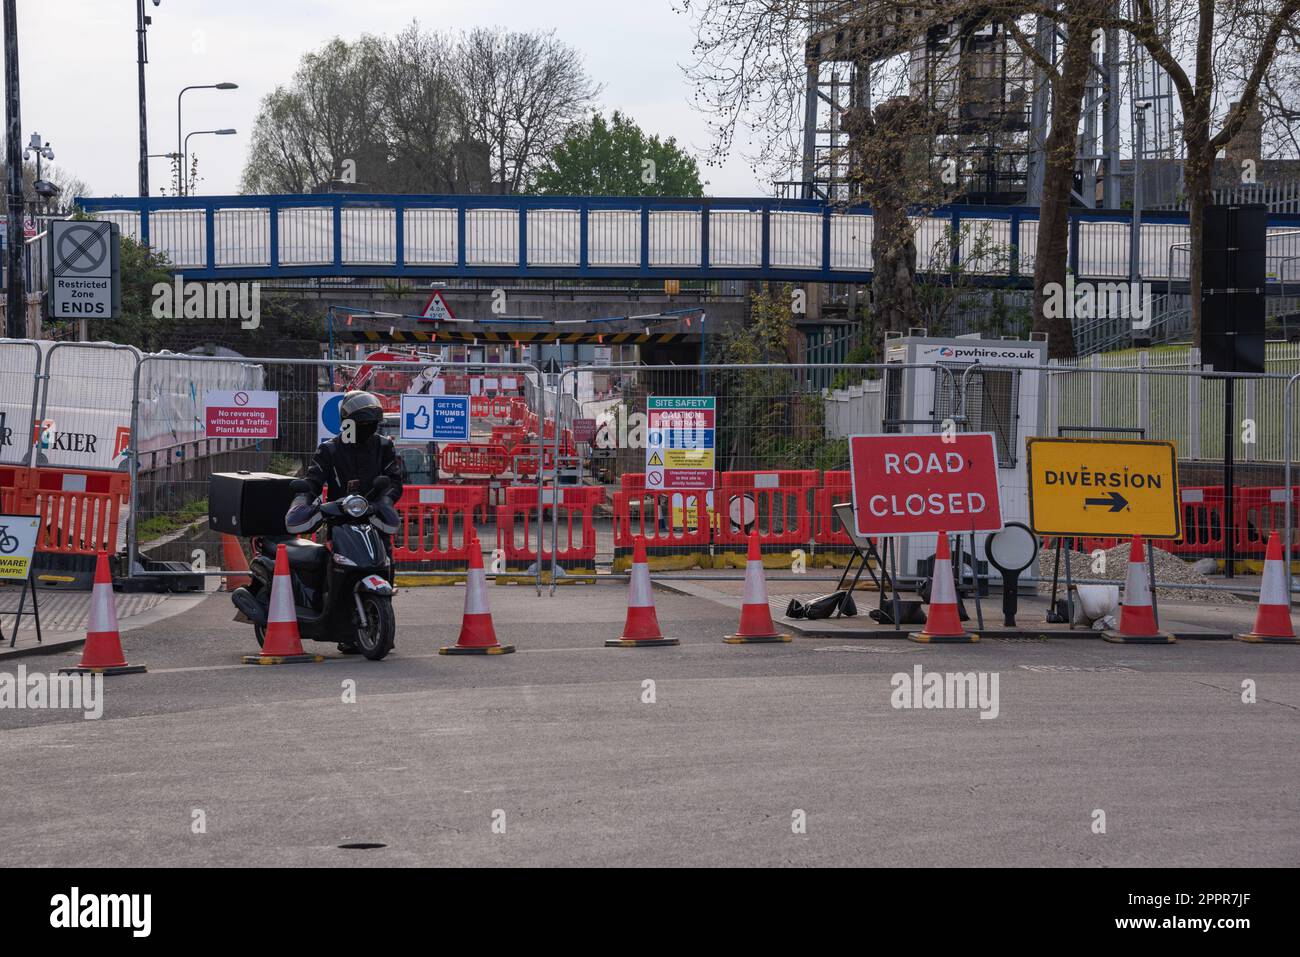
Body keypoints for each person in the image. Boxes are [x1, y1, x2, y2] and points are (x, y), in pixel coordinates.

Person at [287, 391, 404, 651]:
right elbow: (313, 481)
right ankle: (336, 623)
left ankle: (377, 623)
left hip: (374, 517)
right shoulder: (329, 449)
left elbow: (394, 482)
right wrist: (304, 500)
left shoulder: (384, 446)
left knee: (384, 563)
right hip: (340, 519)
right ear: (347, 422)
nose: (367, 428)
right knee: (337, 566)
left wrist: (384, 502)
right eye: (362, 424)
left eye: (371, 424)